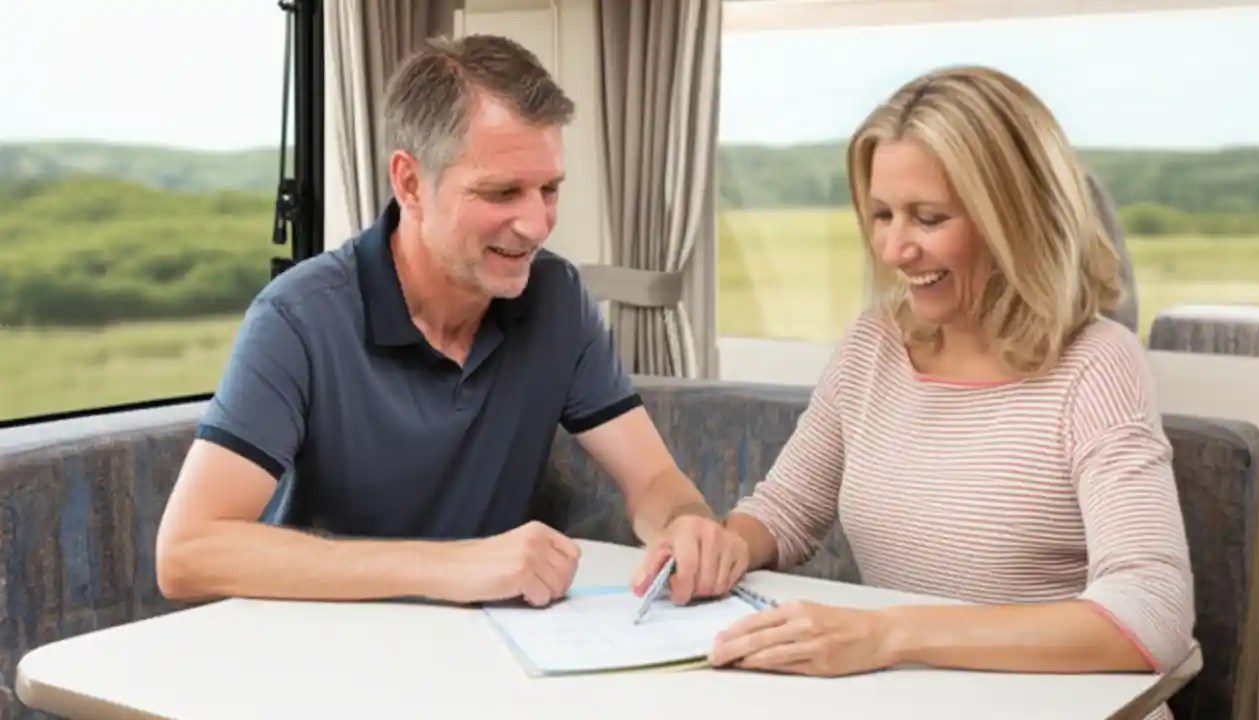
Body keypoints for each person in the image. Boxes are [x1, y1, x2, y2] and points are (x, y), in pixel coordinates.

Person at [155, 35, 747, 609]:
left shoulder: (558, 298)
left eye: (549, 189)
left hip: (495, 657)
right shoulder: (297, 318)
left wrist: (686, 524)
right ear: (410, 183)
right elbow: (186, 553)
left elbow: (654, 482)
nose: (537, 224)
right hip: (329, 659)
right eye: (502, 192)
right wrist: (451, 566)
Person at [707, 66, 1194, 718]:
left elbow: (1153, 611)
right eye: (882, 215)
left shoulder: (1096, 364)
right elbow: (789, 509)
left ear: (1011, 219)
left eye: (928, 218)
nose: (895, 248)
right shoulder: (873, 345)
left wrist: (890, 634)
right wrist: (724, 545)